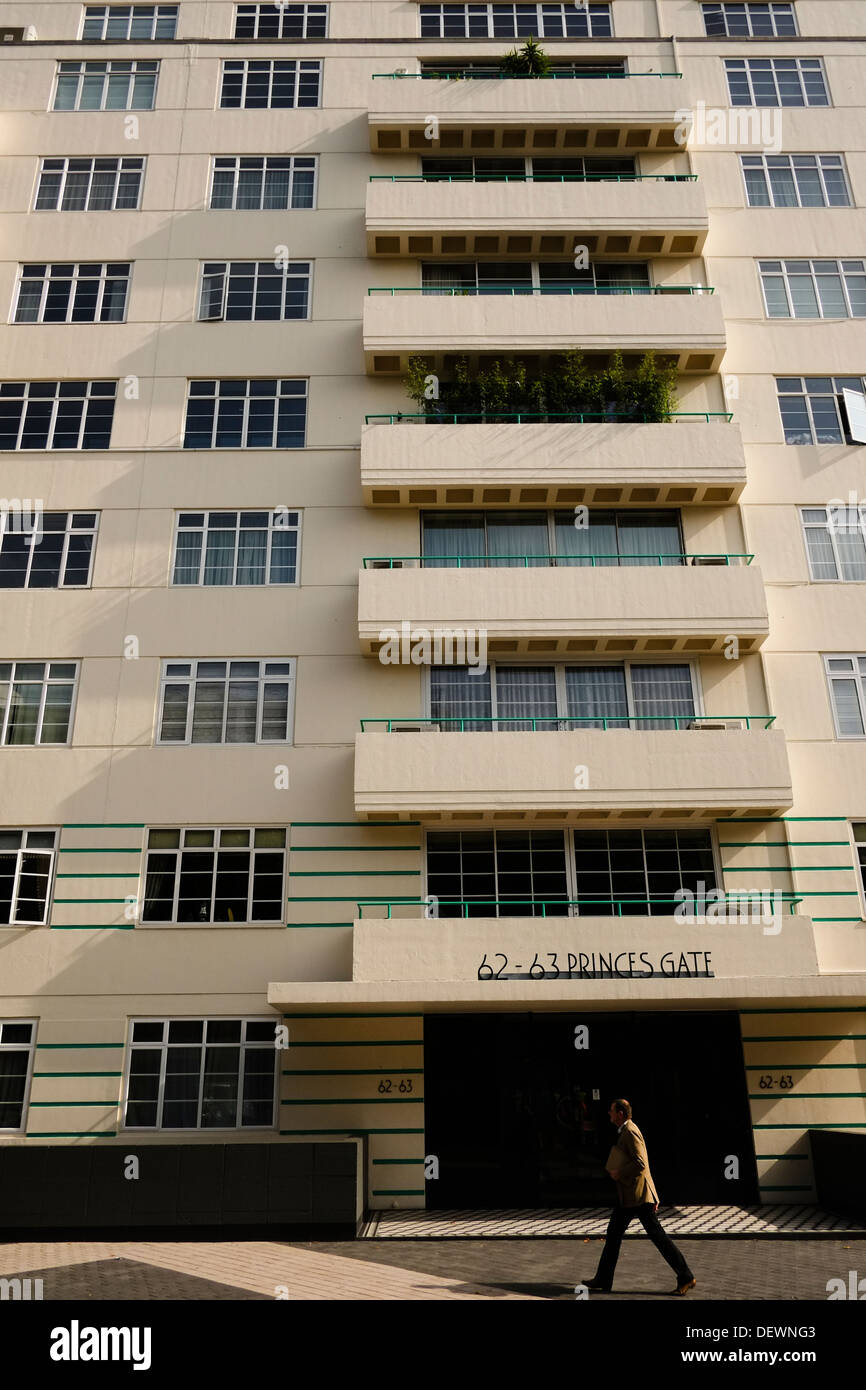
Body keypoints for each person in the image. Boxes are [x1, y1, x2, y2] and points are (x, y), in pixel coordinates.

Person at [585, 1098, 696, 1295]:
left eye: (611, 1111)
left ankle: (686, 1276)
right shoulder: (626, 1131)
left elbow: (640, 1163)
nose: (609, 1114)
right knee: (614, 1236)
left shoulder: (630, 1131)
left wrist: (619, 1173)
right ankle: (603, 1279)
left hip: (637, 1197)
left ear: (620, 1113)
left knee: (657, 1237)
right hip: (631, 1197)